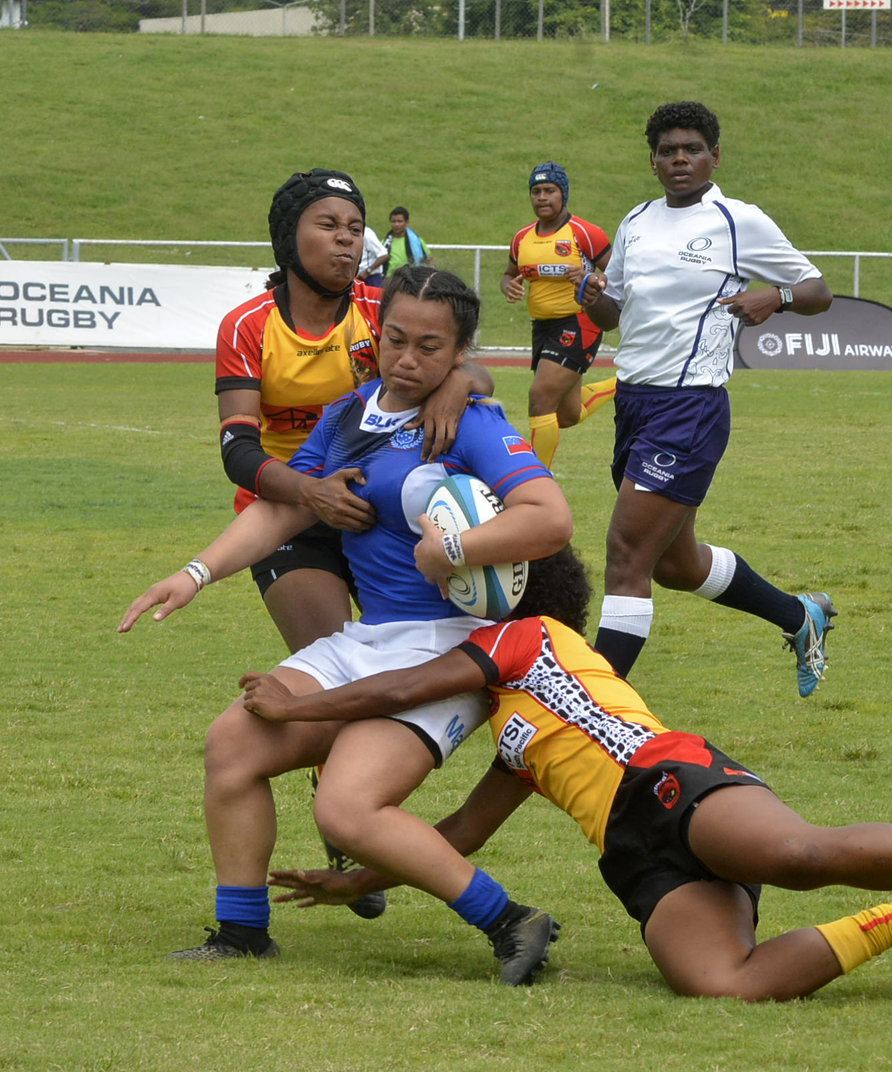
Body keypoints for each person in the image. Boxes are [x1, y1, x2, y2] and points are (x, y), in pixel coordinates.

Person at [254, 547, 892, 1002]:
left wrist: (298, 708)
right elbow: (462, 833)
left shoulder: (531, 638)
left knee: (798, 857)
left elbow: (407, 684)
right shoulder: (510, 725)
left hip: (667, 781)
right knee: (721, 984)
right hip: (634, 853)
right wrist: (358, 877)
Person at [122, 267, 574, 983]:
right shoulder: (344, 417)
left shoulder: (472, 421)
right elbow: (279, 512)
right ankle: (242, 931)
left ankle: (510, 918)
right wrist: (193, 574)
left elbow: (549, 519)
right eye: (395, 338)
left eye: (431, 347)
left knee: (345, 809)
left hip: (450, 650)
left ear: (459, 354)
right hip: (366, 640)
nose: (408, 358)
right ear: (377, 333)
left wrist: (450, 548)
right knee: (233, 743)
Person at [215, 170, 489, 916]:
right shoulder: (248, 324)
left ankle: (355, 811)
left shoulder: (380, 308)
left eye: (355, 226)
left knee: (409, 647)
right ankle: (350, 822)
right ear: (288, 235)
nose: (347, 239)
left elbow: (461, 360)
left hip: (382, 516)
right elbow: (237, 449)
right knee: (332, 661)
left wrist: (461, 382)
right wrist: (308, 492)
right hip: (291, 513)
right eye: (328, 224)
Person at [571, 100, 838, 696]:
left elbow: (816, 289)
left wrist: (777, 298)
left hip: (689, 408)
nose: (680, 159)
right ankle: (801, 617)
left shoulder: (738, 220)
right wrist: (592, 297)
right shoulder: (635, 221)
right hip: (634, 403)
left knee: (626, 556)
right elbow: (614, 315)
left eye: (692, 149)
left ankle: (590, 701)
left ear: (715, 156)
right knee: (674, 565)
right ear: (653, 161)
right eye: (668, 151)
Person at [499, 162, 619, 468]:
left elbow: (619, 275)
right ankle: (623, 384)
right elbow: (509, 274)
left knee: (540, 398)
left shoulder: (585, 233)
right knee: (566, 415)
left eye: (549, 190)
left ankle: (533, 483)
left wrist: (594, 280)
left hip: (578, 323)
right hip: (542, 327)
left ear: (562, 194)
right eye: (536, 191)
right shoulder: (522, 238)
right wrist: (508, 286)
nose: (542, 197)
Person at [383, 206, 433, 274]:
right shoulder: (384, 243)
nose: (396, 224)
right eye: (393, 221)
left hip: (410, 280)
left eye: (399, 221)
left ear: (406, 222)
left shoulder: (417, 242)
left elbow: (429, 259)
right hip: (389, 281)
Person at [358, 223, 387, 288]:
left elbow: (384, 255)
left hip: (371, 279)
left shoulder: (366, 233)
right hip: (356, 279)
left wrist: (367, 271)